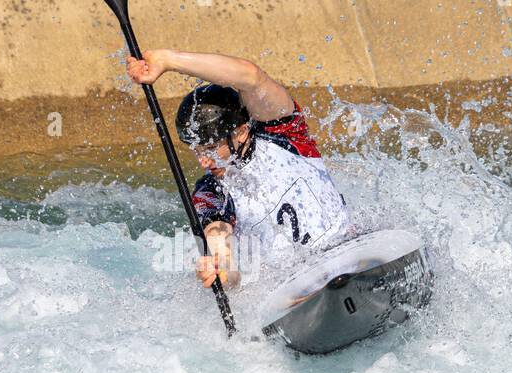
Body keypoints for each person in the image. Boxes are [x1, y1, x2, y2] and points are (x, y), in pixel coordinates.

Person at [126, 49, 351, 290]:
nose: (204, 162)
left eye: (211, 148)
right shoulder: (212, 190)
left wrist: (168, 61)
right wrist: (221, 270)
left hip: (349, 248)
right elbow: (218, 238)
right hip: (295, 287)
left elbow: (251, 76)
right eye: (197, 150)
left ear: (241, 132)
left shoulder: (283, 134)